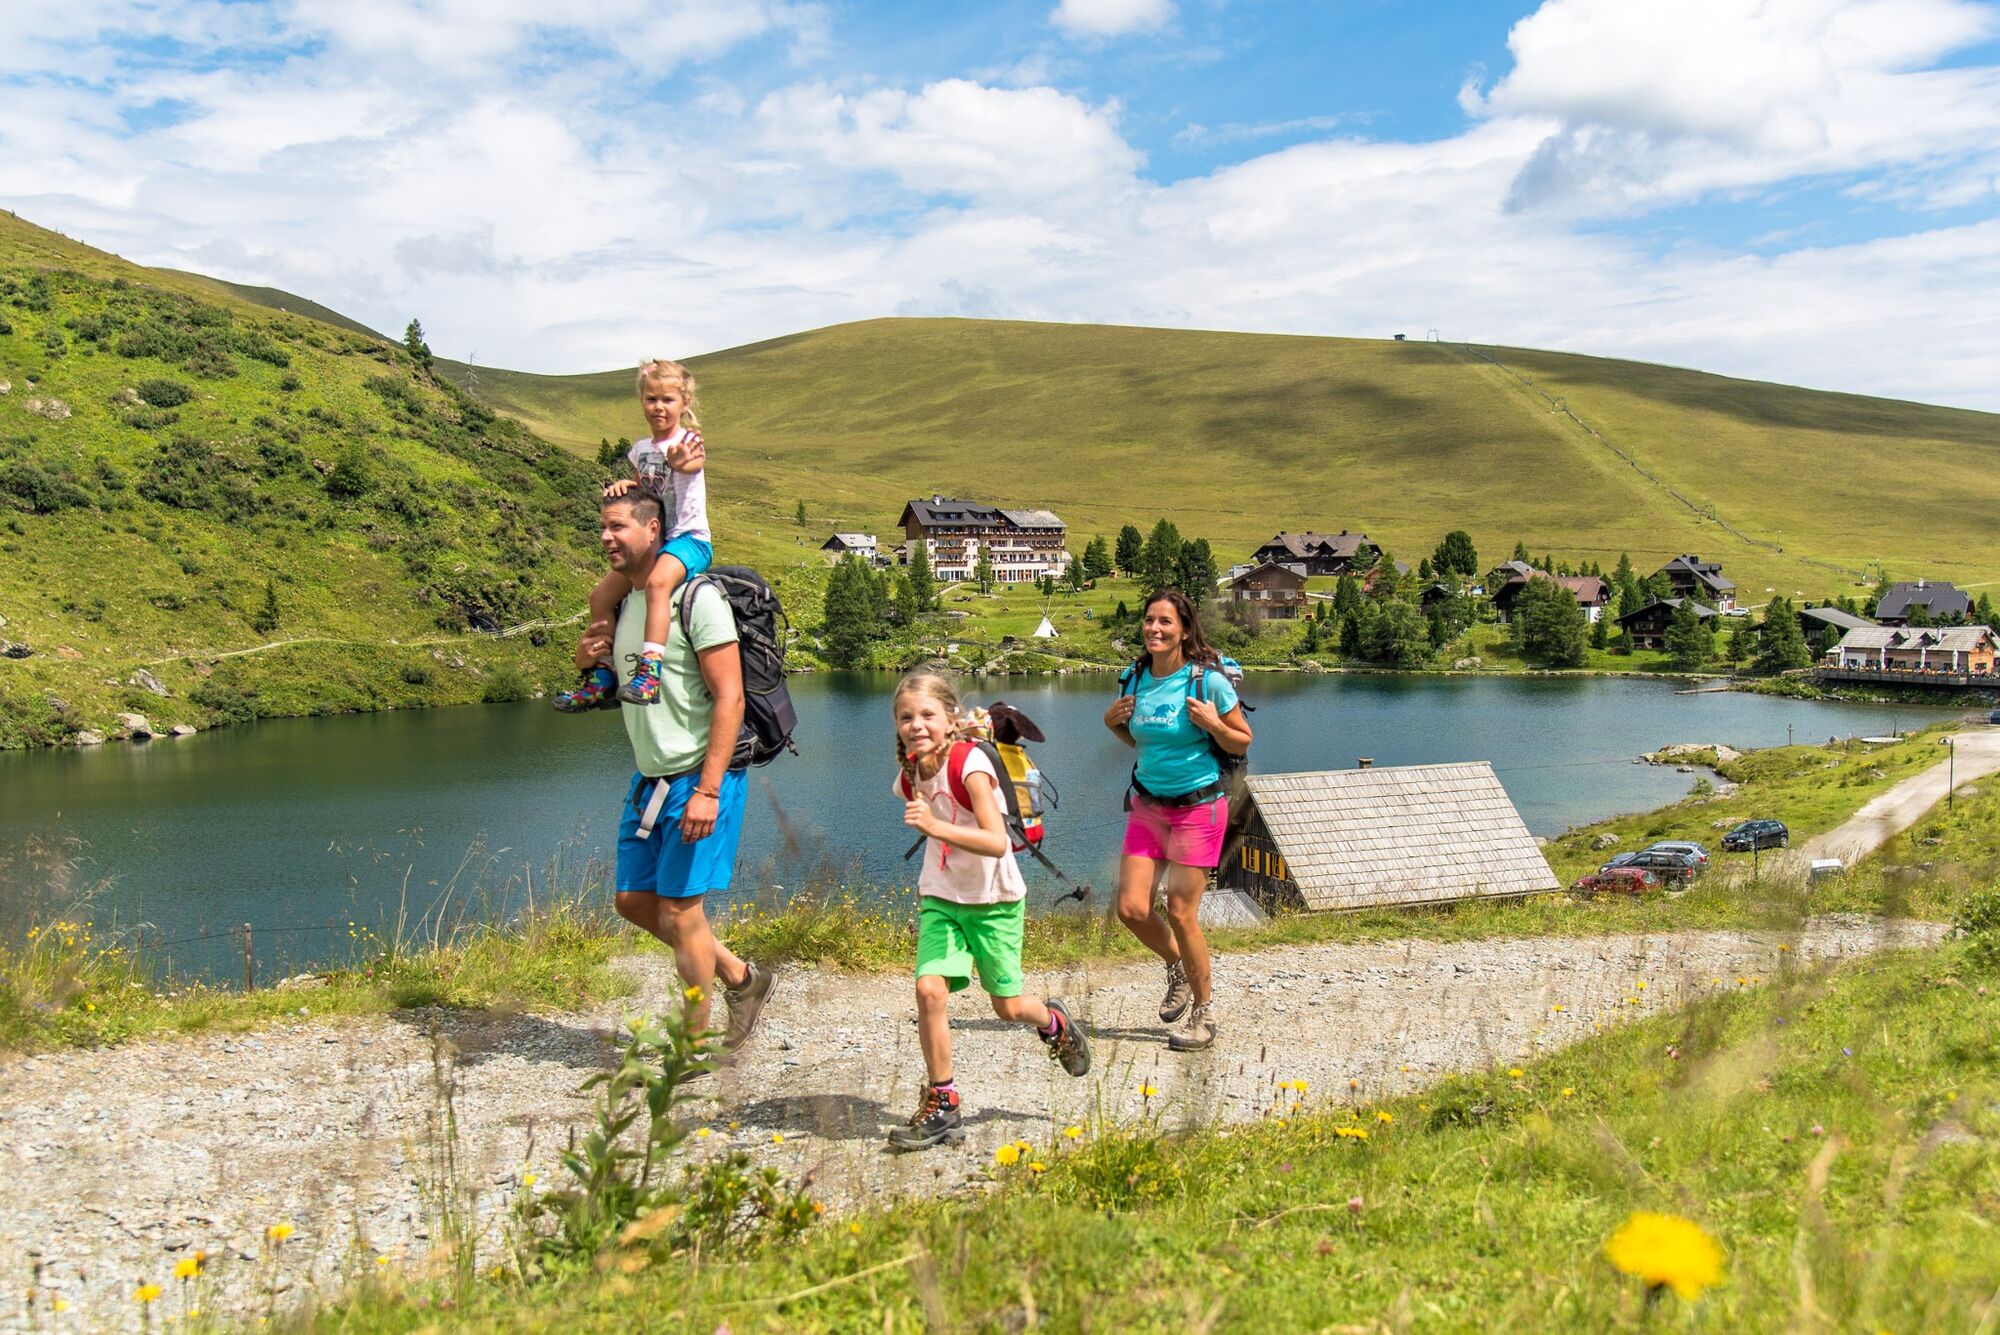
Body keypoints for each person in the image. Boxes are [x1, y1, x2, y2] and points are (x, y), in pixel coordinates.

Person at [586, 489, 773, 1055]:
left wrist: (709, 790)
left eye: (617, 527)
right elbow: (621, 684)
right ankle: (743, 977)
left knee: (681, 909)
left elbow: (731, 698)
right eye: (602, 528)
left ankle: (691, 1045)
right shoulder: (624, 607)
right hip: (650, 778)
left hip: (697, 777)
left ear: (652, 528)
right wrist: (592, 656)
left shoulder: (696, 600)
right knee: (633, 900)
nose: (606, 538)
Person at [886, 672, 1091, 1151]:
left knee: (1007, 1007)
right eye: (906, 717)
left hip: (995, 902)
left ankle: (1053, 1023)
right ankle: (944, 1103)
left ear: (950, 719)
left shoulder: (972, 763)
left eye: (927, 715)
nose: (916, 725)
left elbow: (995, 841)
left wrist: (936, 825)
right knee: (929, 988)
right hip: (941, 898)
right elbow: (914, 797)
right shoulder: (911, 769)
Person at [1102, 588, 1252, 1051]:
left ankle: (1204, 1014)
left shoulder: (1207, 682)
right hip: (1149, 805)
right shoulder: (1134, 677)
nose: (1154, 629)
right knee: (1131, 908)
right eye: (1149, 620)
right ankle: (1176, 967)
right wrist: (1112, 725)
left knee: (1182, 910)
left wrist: (1213, 724)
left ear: (1184, 630)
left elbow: (1241, 742)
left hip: (1199, 807)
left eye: (1165, 622)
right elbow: (1142, 741)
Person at [554, 359, 713, 712]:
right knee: (599, 596)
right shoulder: (641, 449)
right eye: (651, 399)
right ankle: (603, 676)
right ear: (642, 401)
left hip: (689, 540)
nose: (659, 407)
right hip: (655, 543)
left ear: (684, 403)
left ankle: (650, 673)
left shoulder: (688, 441)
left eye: (668, 400)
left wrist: (680, 459)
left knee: (657, 585)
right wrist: (631, 485)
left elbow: (690, 464)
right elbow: (650, 488)